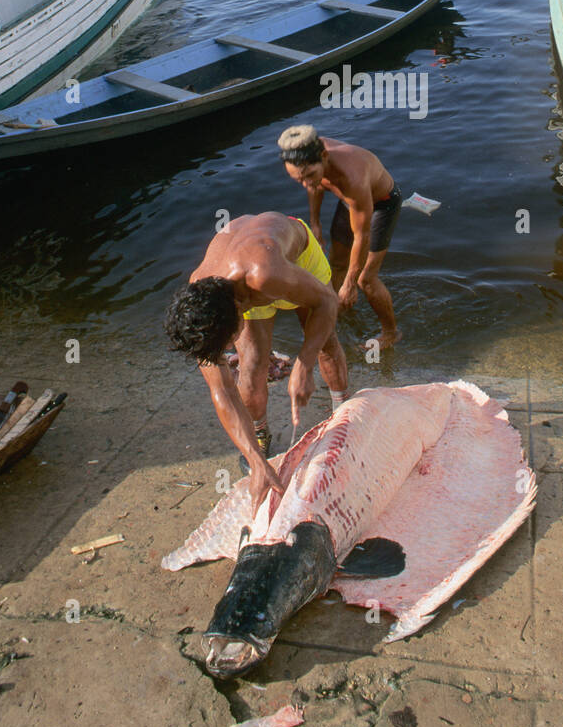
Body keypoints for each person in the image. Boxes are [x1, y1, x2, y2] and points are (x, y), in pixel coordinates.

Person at [165, 212, 348, 510]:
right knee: (250, 365)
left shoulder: (265, 273)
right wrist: (255, 460)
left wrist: (304, 364)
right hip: (243, 284)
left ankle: (343, 415)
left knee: (325, 343)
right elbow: (222, 390)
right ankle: (260, 437)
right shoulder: (202, 301)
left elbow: (329, 301)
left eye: (226, 344)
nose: (227, 352)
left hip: (293, 262)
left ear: (238, 311)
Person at [278, 125, 403, 347]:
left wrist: (350, 283)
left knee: (366, 279)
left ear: (325, 157)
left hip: (381, 203)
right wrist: (315, 223)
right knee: (335, 264)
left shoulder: (351, 178)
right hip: (350, 203)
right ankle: (339, 310)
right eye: (299, 179)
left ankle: (391, 332)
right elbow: (314, 186)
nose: (306, 182)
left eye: (309, 175)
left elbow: (361, 237)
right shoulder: (311, 154)